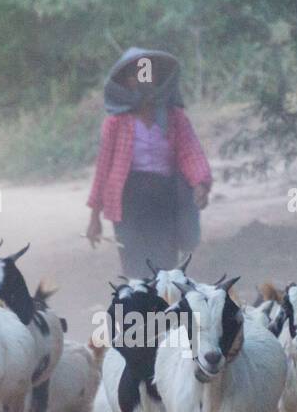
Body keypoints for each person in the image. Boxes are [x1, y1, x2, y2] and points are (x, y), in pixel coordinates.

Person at [85, 48, 212, 276]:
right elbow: (103, 170)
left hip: (164, 198)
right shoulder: (116, 123)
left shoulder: (174, 117)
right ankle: (140, 307)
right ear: (126, 83)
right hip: (127, 201)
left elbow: (190, 152)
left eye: (147, 74)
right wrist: (95, 217)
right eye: (135, 76)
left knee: (165, 263)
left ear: (157, 79)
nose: (142, 81)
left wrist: (200, 183)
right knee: (134, 262)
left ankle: (164, 308)